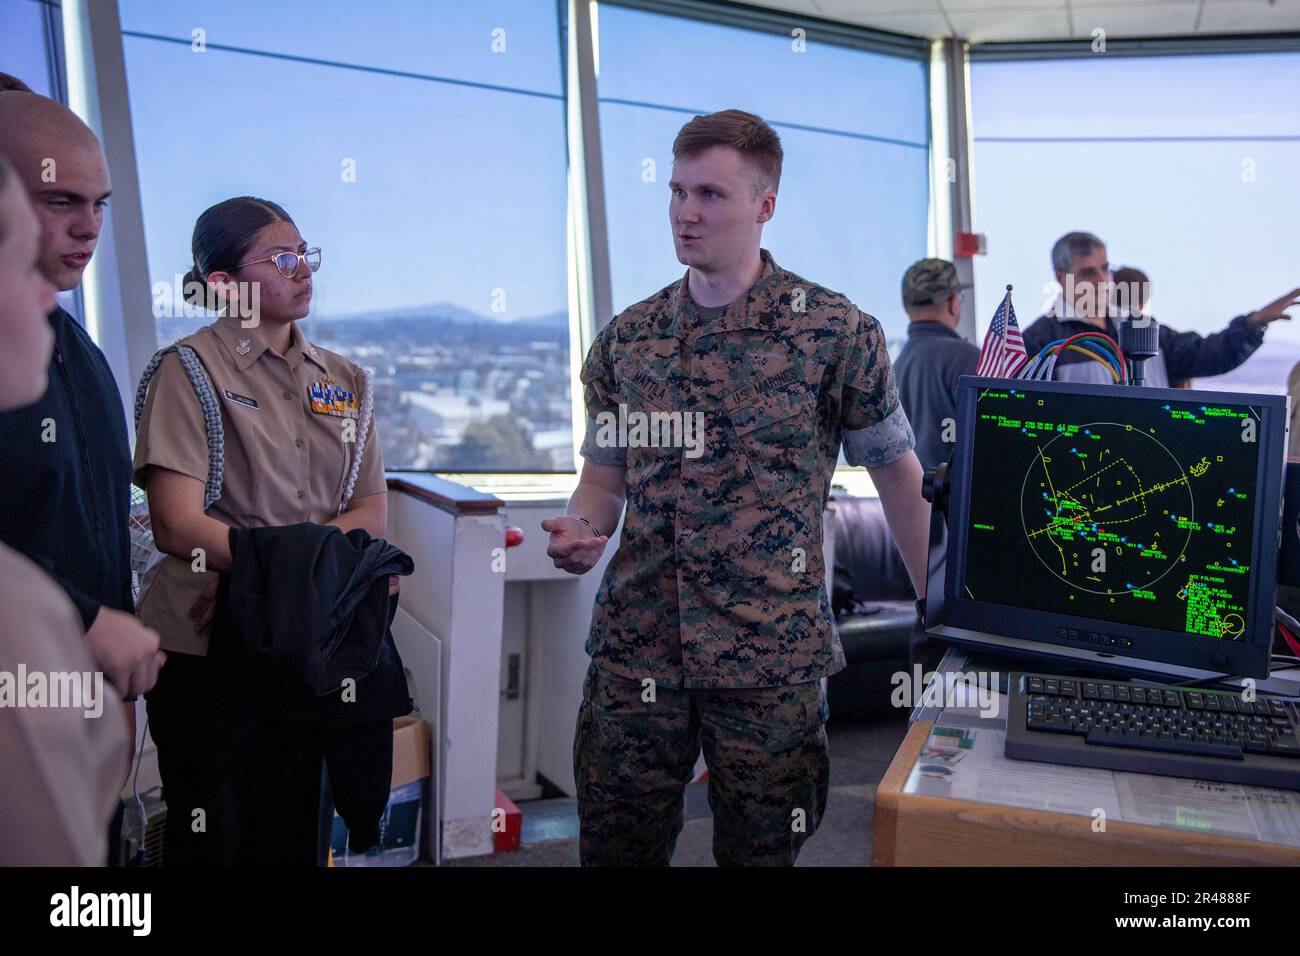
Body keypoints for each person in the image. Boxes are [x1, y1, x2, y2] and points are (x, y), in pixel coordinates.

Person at [543, 109, 931, 866]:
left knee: (761, 852)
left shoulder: (834, 333)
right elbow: (604, 480)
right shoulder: (629, 339)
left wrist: (940, 611)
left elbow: (896, 477)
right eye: (678, 191)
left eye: (712, 195)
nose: (686, 212)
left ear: (765, 204)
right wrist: (583, 531)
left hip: (769, 656)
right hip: (638, 649)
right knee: (616, 849)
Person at [133, 196, 390, 865]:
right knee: (213, 831)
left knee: (296, 826)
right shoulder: (186, 371)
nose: (302, 268)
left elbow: (369, 510)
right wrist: (297, 570)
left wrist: (304, 579)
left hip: (310, 643)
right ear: (223, 284)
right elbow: (174, 524)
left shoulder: (345, 380)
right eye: (281, 258)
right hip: (209, 641)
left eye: (305, 252)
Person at [0, 152, 130, 865]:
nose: (89, 228)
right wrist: (87, 621)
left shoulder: (76, 349)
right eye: (58, 202)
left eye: (101, 204)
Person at [1021, 231, 1297, 385]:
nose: (1102, 280)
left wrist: (1254, 323)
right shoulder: (1041, 340)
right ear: (1060, 277)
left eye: (1105, 269)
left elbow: (1206, 355)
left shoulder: (1141, 326)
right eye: (1088, 273)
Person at [893, 258, 979, 471]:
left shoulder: (895, 366)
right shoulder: (967, 357)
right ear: (953, 302)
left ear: (906, 306)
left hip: (916, 499)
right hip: (956, 501)